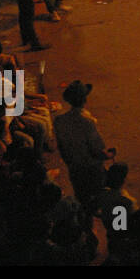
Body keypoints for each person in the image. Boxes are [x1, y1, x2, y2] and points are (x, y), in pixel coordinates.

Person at [53, 80, 112, 212]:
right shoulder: (87, 122)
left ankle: (86, 223)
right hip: (90, 168)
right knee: (98, 197)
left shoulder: (59, 121)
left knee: (82, 198)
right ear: (85, 99)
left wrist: (70, 162)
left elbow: (61, 147)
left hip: (74, 167)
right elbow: (96, 149)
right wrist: (109, 155)